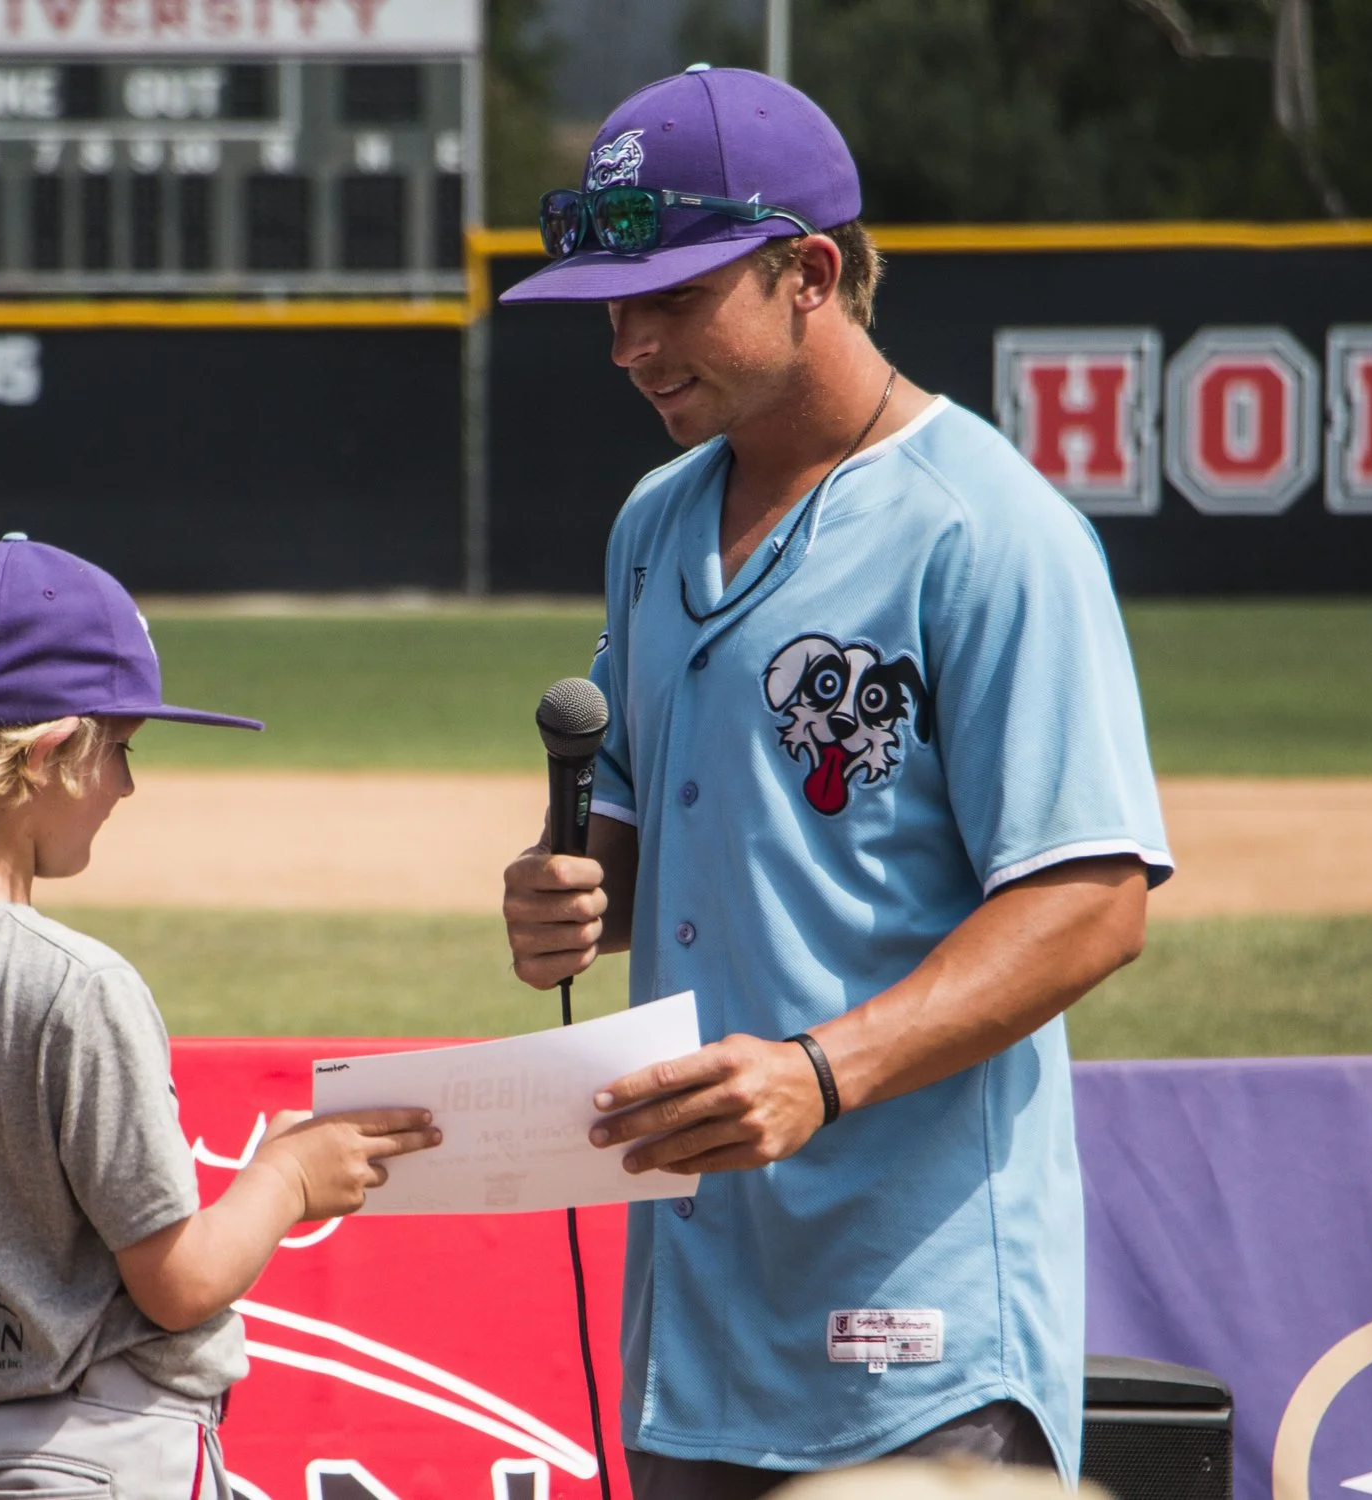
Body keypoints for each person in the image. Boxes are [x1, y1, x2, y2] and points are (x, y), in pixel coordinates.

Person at [496, 67, 1171, 1492]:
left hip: (917, 1320)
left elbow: (1095, 899)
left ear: (809, 270)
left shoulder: (987, 531)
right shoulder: (654, 520)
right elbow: (644, 812)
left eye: (670, 298)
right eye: (609, 305)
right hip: (700, 1314)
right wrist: (574, 890)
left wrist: (820, 1071)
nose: (627, 343)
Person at [0, 539, 439, 1497]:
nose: (127, 788)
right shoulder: (77, 986)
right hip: (104, 1450)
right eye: (120, 752)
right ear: (50, 755)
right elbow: (179, 1281)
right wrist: (286, 1177)